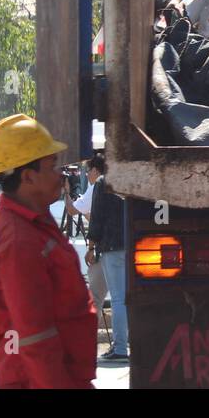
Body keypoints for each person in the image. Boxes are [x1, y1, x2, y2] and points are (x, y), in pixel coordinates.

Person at [0, 113, 97, 389]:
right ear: (28, 177)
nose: (61, 175)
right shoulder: (18, 242)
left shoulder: (34, 222)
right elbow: (35, 337)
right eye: (52, 166)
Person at [87, 154, 128, 363]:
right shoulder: (133, 176)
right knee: (130, 297)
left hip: (112, 247)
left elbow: (96, 218)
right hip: (134, 244)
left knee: (119, 298)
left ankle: (120, 347)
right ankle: (130, 343)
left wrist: (91, 246)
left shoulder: (104, 182)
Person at [66, 154, 108, 313]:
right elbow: (93, 216)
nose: (86, 174)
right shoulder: (109, 184)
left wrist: (68, 192)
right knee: (118, 297)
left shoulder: (96, 187)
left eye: (88, 170)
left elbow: (71, 210)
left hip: (103, 249)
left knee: (95, 298)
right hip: (114, 248)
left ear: (96, 171)